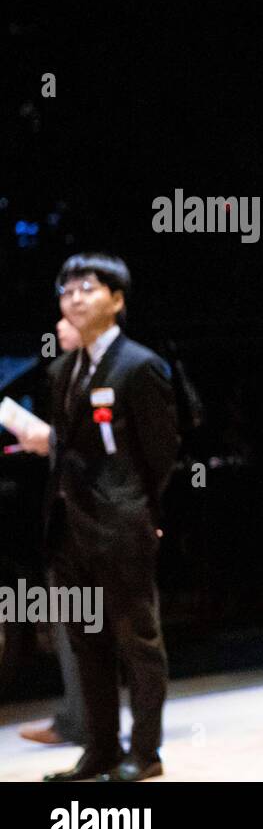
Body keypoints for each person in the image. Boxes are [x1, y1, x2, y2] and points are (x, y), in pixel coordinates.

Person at [32, 253, 178, 782]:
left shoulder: (139, 365)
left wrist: (141, 512)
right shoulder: (62, 369)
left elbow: (161, 453)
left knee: (136, 640)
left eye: (87, 287)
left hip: (122, 527)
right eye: (66, 288)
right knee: (85, 642)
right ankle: (100, 750)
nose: (73, 297)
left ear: (116, 300)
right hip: (70, 530)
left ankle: (146, 752)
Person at [18, 318, 91, 749]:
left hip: (106, 520)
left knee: (125, 634)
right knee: (72, 626)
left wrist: (50, 440)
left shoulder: (119, 371)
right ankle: (78, 723)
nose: (61, 322)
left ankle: (136, 742)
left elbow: (106, 448)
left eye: (70, 315)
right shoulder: (64, 371)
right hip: (65, 519)